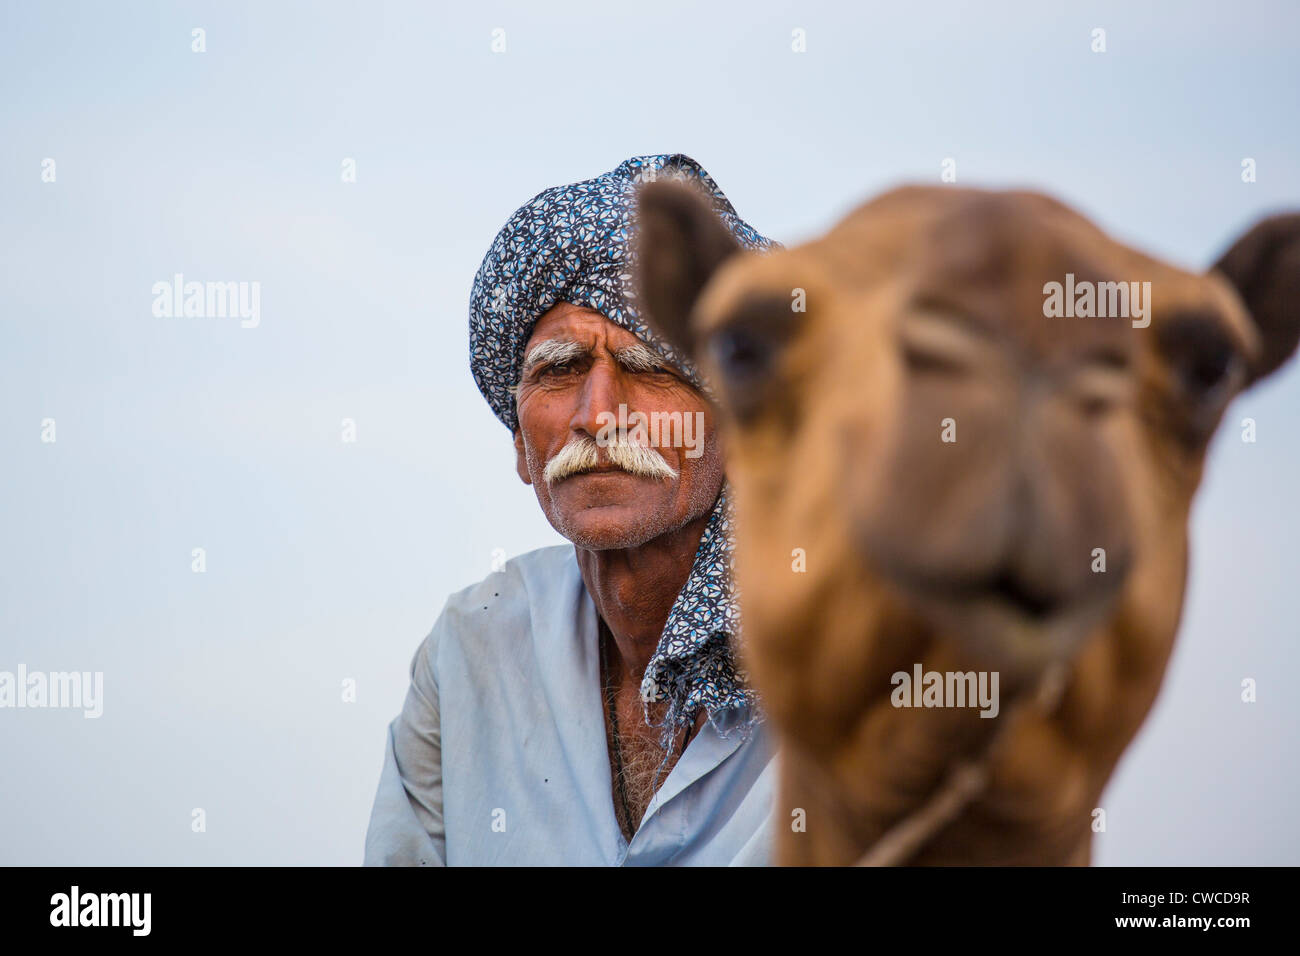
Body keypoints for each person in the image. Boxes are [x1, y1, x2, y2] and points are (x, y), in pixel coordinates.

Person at [364, 154, 779, 865]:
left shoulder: (858, 647)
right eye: (558, 371)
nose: (599, 415)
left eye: (651, 368)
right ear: (523, 447)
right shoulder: (473, 652)